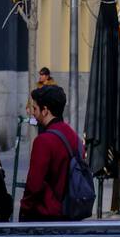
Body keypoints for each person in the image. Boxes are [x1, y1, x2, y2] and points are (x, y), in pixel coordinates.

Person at [19, 84, 86, 221]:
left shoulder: (43, 141)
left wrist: (25, 208)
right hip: (72, 213)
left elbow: (34, 184)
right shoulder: (74, 136)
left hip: (46, 216)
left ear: (45, 110)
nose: (33, 113)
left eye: (35, 108)